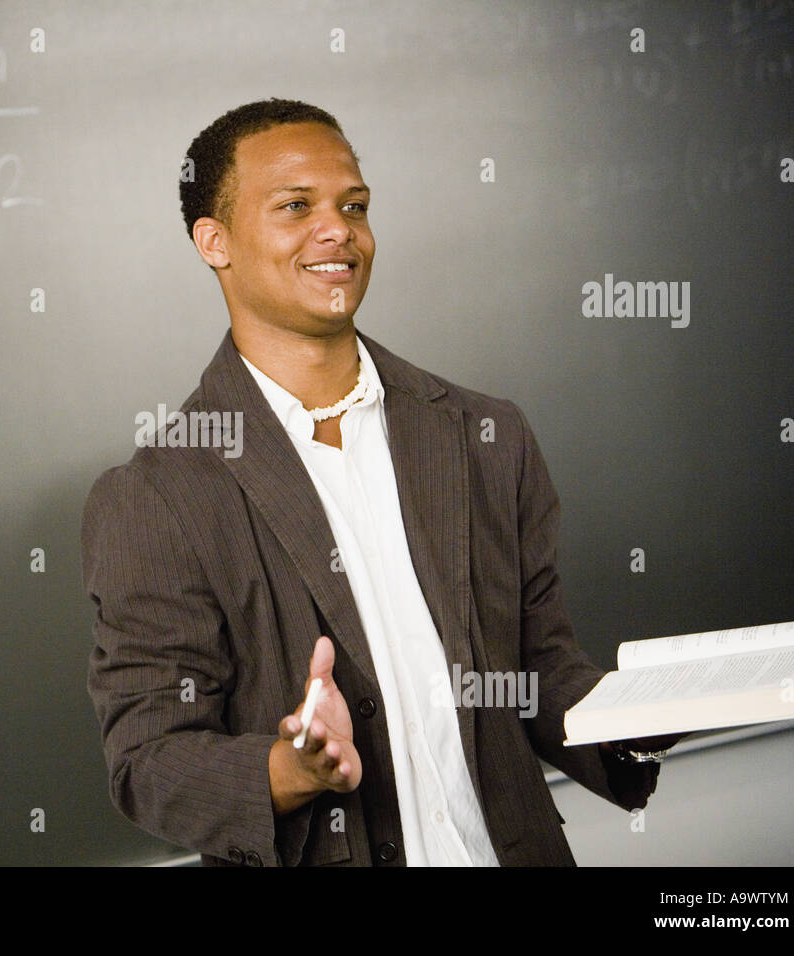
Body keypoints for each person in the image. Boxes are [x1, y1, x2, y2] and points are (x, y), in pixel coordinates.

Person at [82, 98, 681, 866]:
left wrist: (648, 710)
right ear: (214, 242)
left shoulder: (484, 436)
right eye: (296, 206)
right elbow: (148, 762)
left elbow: (536, 674)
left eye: (354, 205)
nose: (339, 229)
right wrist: (291, 768)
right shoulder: (156, 497)